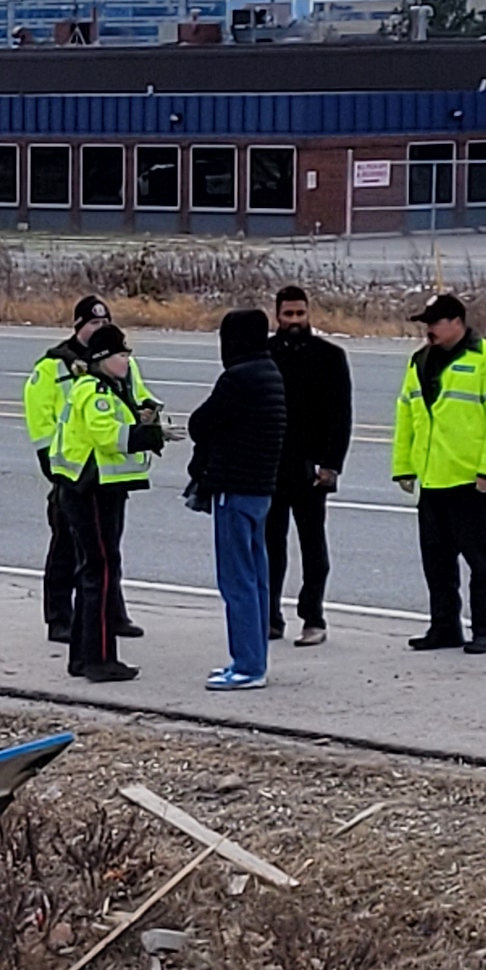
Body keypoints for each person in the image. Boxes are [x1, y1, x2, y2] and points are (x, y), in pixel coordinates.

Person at [389, 292, 486, 654]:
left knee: (482, 563)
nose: (428, 329)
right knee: (437, 563)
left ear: (457, 323)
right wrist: (403, 465)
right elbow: (407, 415)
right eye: (426, 323)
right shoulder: (419, 362)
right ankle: (444, 627)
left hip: (472, 482)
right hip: (433, 480)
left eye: (434, 323)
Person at [46, 325, 161, 682]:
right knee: (100, 571)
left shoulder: (110, 388)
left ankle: (81, 657)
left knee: (93, 570)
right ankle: (99, 659)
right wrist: (149, 435)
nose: (126, 360)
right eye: (119, 355)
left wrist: (146, 418)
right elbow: (107, 435)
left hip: (98, 488)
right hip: (90, 490)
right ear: (101, 359)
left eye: (127, 354)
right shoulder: (93, 391)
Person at [182, 306, 288, 690]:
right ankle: (253, 658)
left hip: (234, 487)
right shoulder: (270, 373)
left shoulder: (238, 379)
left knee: (236, 579)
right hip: (261, 487)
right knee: (258, 577)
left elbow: (200, 422)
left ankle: (246, 665)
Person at [24, 297, 136, 646]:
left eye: (105, 324)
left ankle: (112, 615)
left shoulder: (116, 361)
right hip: (70, 471)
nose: (99, 329)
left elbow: (137, 398)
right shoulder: (54, 366)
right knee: (65, 547)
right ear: (78, 326)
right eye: (92, 324)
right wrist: (52, 465)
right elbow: (39, 417)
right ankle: (59, 618)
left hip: (108, 472)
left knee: (107, 550)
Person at [263, 284, 351, 647]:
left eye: (301, 314)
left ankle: (313, 617)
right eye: (289, 314)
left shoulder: (329, 356)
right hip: (271, 467)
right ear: (278, 316)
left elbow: (340, 415)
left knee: (314, 547)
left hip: (312, 468)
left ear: (308, 314)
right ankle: (269, 617)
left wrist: (331, 464)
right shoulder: (264, 355)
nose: (295, 320)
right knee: (270, 547)